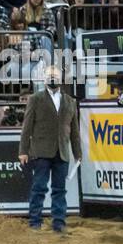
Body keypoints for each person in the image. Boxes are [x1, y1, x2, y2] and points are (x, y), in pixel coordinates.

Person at [18, 72, 82, 233]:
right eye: (50, 76)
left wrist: (77, 152)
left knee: (59, 189)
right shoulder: (35, 99)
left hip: (62, 151)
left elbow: (74, 130)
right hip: (41, 151)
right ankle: (35, 222)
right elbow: (27, 127)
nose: (52, 79)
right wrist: (23, 151)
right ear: (45, 79)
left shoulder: (70, 101)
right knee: (39, 187)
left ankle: (59, 223)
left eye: (55, 76)